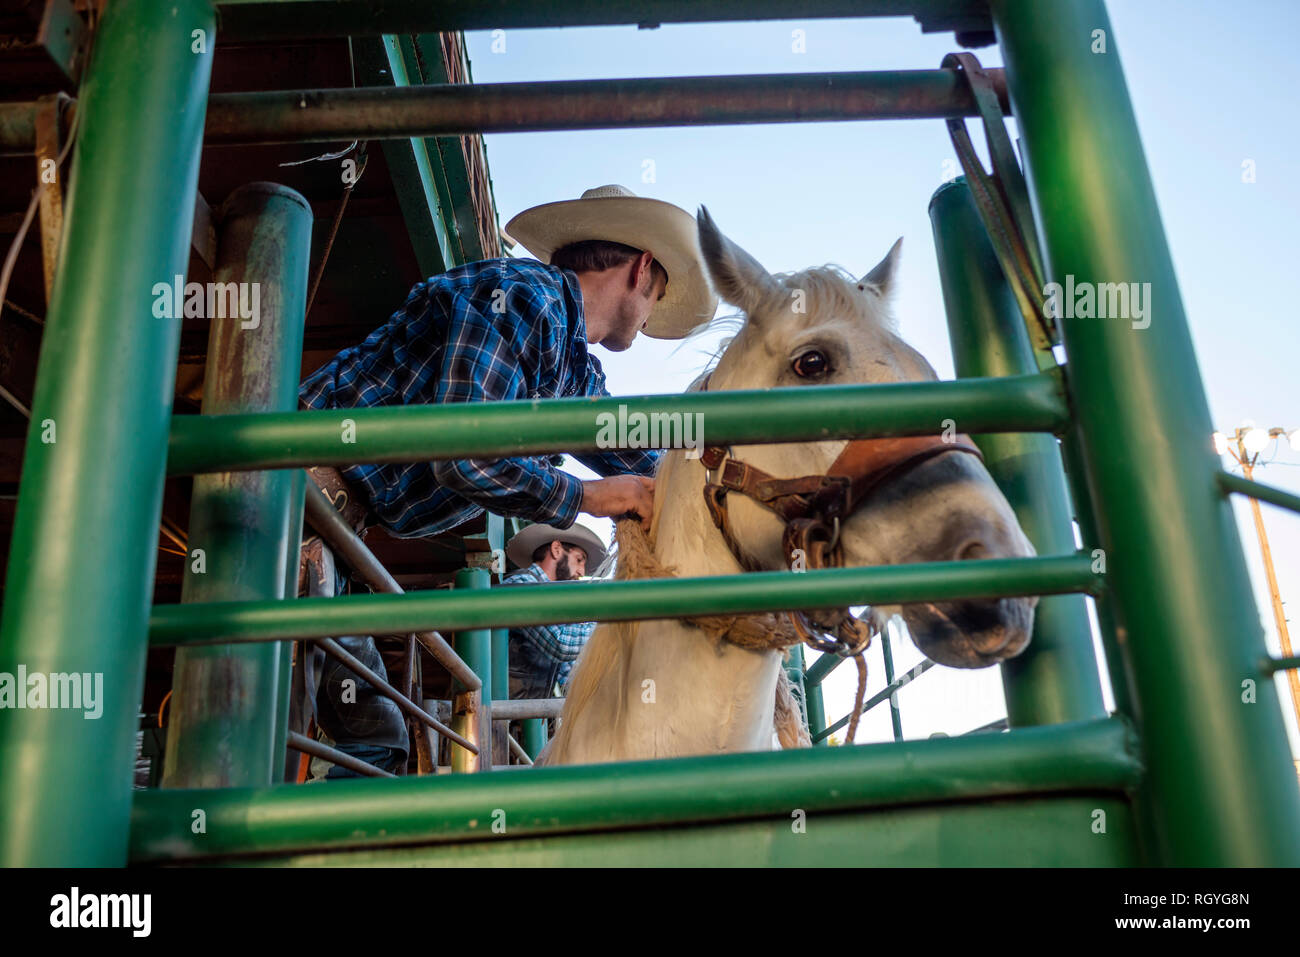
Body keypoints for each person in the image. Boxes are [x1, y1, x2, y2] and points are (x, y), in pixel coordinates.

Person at [295, 184, 718, 776]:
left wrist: (715, 480)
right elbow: (465, 456)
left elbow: (636, 458)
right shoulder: (520, 297)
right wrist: (589, 498)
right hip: (294, 496)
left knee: (369, 735)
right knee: (268, 714)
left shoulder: (570, 361)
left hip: (333, 518)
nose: (650, 319)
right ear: (642, 268)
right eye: (660, 295)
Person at [500, 523, 608, 701]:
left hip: (507, 712)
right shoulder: (522, 584)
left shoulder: (555, 609)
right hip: (491, 707)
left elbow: (570, 674)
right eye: (579, 560)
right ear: (556, 549)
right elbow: (560, 643)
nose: (582, 572)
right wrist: (611, 626)